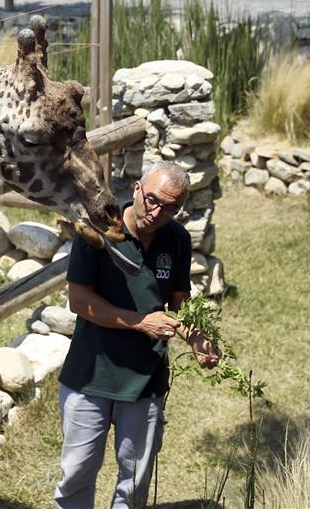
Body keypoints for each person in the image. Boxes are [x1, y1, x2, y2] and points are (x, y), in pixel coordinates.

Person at [54, 161, 221, 509]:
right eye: (153, 200)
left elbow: (179, 304)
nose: (157, 213)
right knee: (76, 478)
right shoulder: (99, 231)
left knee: (133, 486)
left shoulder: (176, 240)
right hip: (90, 377)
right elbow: (79, 301)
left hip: (145, 383)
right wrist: (141, 322)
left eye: (171, 207)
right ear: (136, 190)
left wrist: (197, 339)